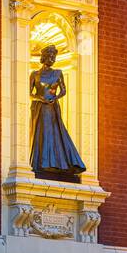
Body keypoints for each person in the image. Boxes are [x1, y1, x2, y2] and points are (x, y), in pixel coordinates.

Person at [29, 44, 86, 180]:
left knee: (54, 133)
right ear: (43, 57)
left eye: (54, 56)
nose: (52, 58)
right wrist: (40, 98)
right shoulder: (35, 74)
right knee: (42, 134)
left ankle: (58, 163)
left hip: (52, 107)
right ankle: (42, 162)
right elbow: (30, 92)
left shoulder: (58, 73)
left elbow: (63, 90)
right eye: (50, 55)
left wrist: (56, 98)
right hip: (40, 107)